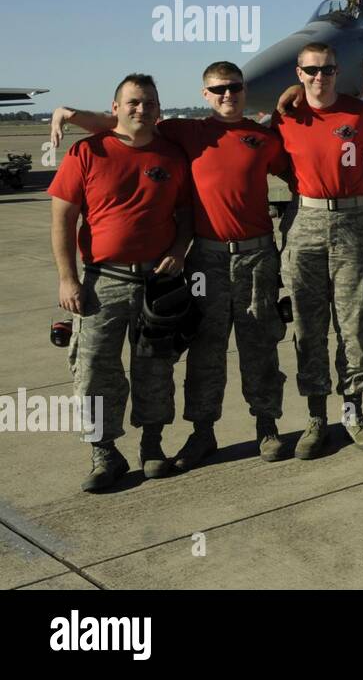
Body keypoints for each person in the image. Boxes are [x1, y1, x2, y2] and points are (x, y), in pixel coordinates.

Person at [51, 61, 293, 470]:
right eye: (218, 90)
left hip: (250, 258)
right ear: (205, 95)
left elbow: (303, 173)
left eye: (234, 88)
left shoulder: (262, 138)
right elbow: (123, 124)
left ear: (244, 90)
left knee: (259, 344)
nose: (227, 96)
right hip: (201, 262)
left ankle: (264, 425)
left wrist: (294, 101)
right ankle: (196, 433)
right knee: (203, 350)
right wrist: (69, 114)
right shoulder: (185, 133)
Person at [48, 74, 193, 492]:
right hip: (101, 281)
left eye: (148, 102)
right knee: (94, 371)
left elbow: (185, 215)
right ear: (115, 108)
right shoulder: (87, 151)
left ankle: (152, 446)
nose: (141, 109)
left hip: (158, 283)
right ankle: (103, 453)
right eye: (132, 102)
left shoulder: (172, 155)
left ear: (159, 109)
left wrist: (181, 251)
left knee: (155, 367)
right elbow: (63, 218)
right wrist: (66, 278)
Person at [275, 43, 363, 458]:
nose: (320, 77)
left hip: (354, 222)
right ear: (299, 72)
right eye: (311, 70)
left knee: (354, 322)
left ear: (338, 72)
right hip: (305, 222)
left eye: (328, 69)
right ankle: (316, 416)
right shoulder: (286, 115)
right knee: (308, 322)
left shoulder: (361, 114)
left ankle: (353, 410)